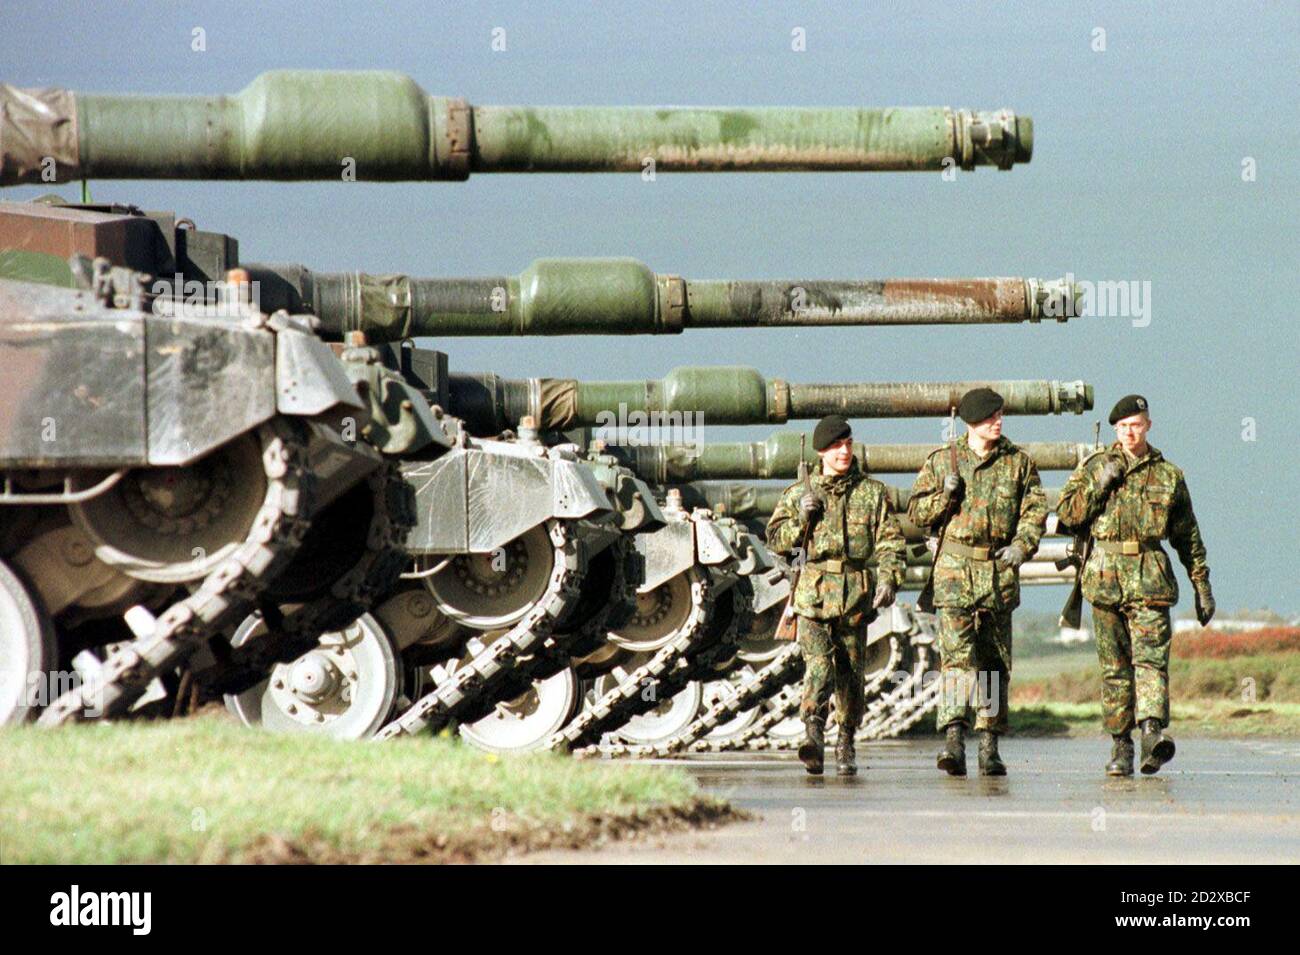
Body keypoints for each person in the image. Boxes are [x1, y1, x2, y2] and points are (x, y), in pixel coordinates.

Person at [1057, 395, 1213, 776]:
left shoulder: (1168, 475)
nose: (1130, 432)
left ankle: (1151, 733)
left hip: (1150, 576)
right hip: (1105, 577)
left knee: (1151, 663)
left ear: (1148, 425)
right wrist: (1099, 483)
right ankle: (1120, 745)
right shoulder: (1093, 466)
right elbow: (1067, 515)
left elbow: (1186, 534)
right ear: (1115, 430)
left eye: (1137, 424)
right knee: (1114, 669)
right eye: (1124, 426)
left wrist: (1201, 584)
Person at [908, 388, 1047, 776]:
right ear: (970, 423)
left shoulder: (1019, 463)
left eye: (1000, 415)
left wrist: (1022, 546)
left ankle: (989, 745)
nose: (997, 422)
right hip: (954, 572)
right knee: (955, 660)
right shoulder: (941, 462)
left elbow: (1034, 512)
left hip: (997, 573)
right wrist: (944, 497)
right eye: (990, 418)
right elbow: (917, 511)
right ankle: (953, 739)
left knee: (993, 663)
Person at [766, 414, 906, 776]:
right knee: (819, 663)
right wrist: (800, 519)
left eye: (847, 444)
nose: (843, 452)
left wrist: (890, 578)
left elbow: (890, 542)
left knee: (850, 672)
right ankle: (813, 732)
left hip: (854, 595)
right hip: (811, 593)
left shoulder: (872, 493)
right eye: (835, 446)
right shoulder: (800, 493)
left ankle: (846, 738)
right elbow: (777, 542)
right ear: (821, 452)